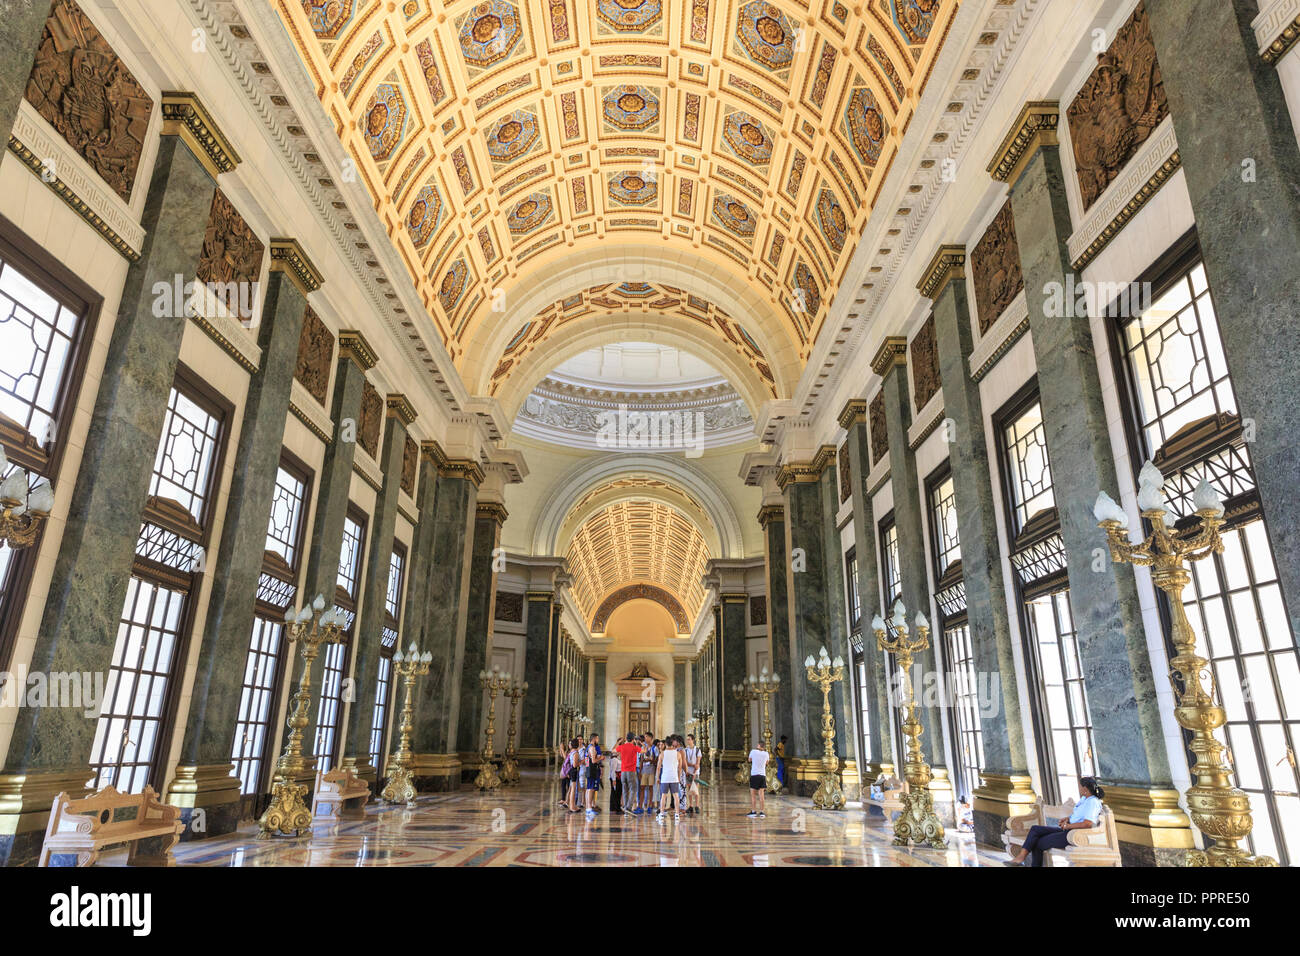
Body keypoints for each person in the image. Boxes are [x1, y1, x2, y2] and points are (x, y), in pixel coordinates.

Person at [1006, 777, 1106, 867]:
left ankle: (1021, 859)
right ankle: (1021, 857)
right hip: (1067, 830)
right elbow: (1078, 816)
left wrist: (1068, 826)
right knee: (1035, 829)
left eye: (1079, 786)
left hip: (1074, 834)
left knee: (1037, 842)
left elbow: (1087, 823)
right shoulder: (1085, 799)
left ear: (1085, 789)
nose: (1078, 788)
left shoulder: (1093, 802)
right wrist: (1068, 818)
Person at [656, 736, 682, 821]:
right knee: (676, 796)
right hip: (674, 777)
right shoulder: (678, 754)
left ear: (666, 744)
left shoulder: (662, 754)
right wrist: (679, 777)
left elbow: (658, 767)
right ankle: (677, 814)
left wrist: (657, 777)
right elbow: (680, 768)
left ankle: (662, 813)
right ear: (672, 743)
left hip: (665, 777)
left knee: (663, 796)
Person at [614, 733, 640, 815]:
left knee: (624, 789)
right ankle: (629, 807)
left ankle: (625, 807)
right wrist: (640, 743)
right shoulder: (634, 747)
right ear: (633, 739)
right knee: (633, 789)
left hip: (623, 771)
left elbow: (613, 750)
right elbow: (645, 750)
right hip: (631, 771)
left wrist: (618, 742)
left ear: (626, 738)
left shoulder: (622, 747)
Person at [746, 741, 769, 818]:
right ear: (764, 746)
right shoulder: (766, 754)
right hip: (762, 775)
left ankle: (753, 812)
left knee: (753, 795)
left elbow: (749, 760)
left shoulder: (753, 751)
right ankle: (762, 812)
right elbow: (766, 763)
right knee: (761, 795)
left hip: (754, 775)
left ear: (759, 745)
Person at [584, 734, 603, 817]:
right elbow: (594, 760)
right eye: (597, 738)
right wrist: (601, 758)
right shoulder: (592, 748)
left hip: (589, 769)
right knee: (591, 789)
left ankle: (588, 808)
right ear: (594, 739)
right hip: (592, 770)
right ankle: (589, 809)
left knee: (589, 789)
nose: (598, 740)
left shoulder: (588, 747)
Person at [683, 734, 701, 815]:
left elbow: (698, 762)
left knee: (695, 789)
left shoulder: (697, 750)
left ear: (693, 740)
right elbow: (685, 762)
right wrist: (691, 766)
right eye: (687, 739)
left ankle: (697, 806)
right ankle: (690, 806)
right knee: (689, 789)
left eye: (689, 739)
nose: (688, 741)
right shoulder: (685, 750)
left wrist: (695, 769)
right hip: (688, 771)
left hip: (695, 772)